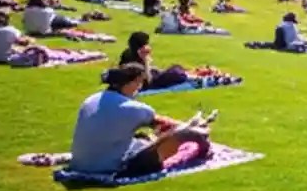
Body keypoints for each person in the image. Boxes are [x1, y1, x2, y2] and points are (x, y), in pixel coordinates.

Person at [68, 63, 212, 176]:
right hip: (110, 168)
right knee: (190, 134)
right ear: (133, 83)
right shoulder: (132, 108)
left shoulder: (90, 100)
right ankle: (205, 150)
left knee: (141, 138)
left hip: (80, 164)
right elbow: (165, 124)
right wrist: (191, 125)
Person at [118, 31, 189, 89]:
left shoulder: (132, 53)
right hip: (146, 81)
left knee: (176, 68)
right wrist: (146, 61)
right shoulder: (131, 56)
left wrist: (153, 68)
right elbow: (148, 80)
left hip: (148, 76)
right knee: (176, 73)